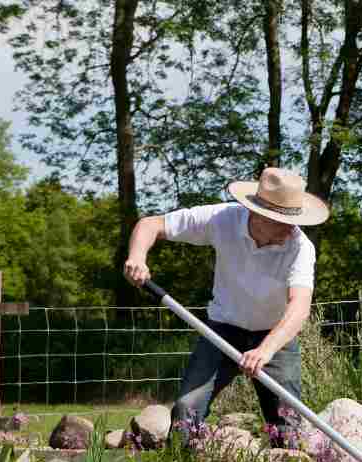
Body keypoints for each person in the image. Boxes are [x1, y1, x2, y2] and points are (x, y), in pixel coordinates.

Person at [122, 167, 329, 446]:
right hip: (221, 332)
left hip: (273, 337)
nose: (291, 228)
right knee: (186, 409)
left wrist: (265, 349)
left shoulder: (300, 247)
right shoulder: (222, 219)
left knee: (287, 424)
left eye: (293, 220)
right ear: (259, 214)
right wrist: (137, 256)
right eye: (283, 221)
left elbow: (300, 307)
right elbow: (151, 224)